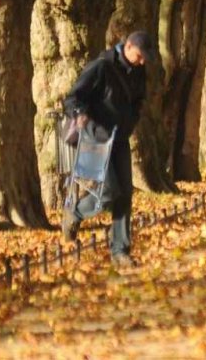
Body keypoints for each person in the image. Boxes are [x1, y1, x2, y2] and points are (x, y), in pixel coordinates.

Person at [62, 31, 151, 267]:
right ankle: (76, 212)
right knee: (109, 192)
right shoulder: (101, 66)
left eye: (144, 59)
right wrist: (79, 114)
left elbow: (139, 98)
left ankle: (120, 251)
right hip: (95, 136)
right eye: (139, 56)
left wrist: (133, 119)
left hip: (120, 137)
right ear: (128, 46)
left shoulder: (139, 70)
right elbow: (73, 97)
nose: (142, 62)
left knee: (125, 195)